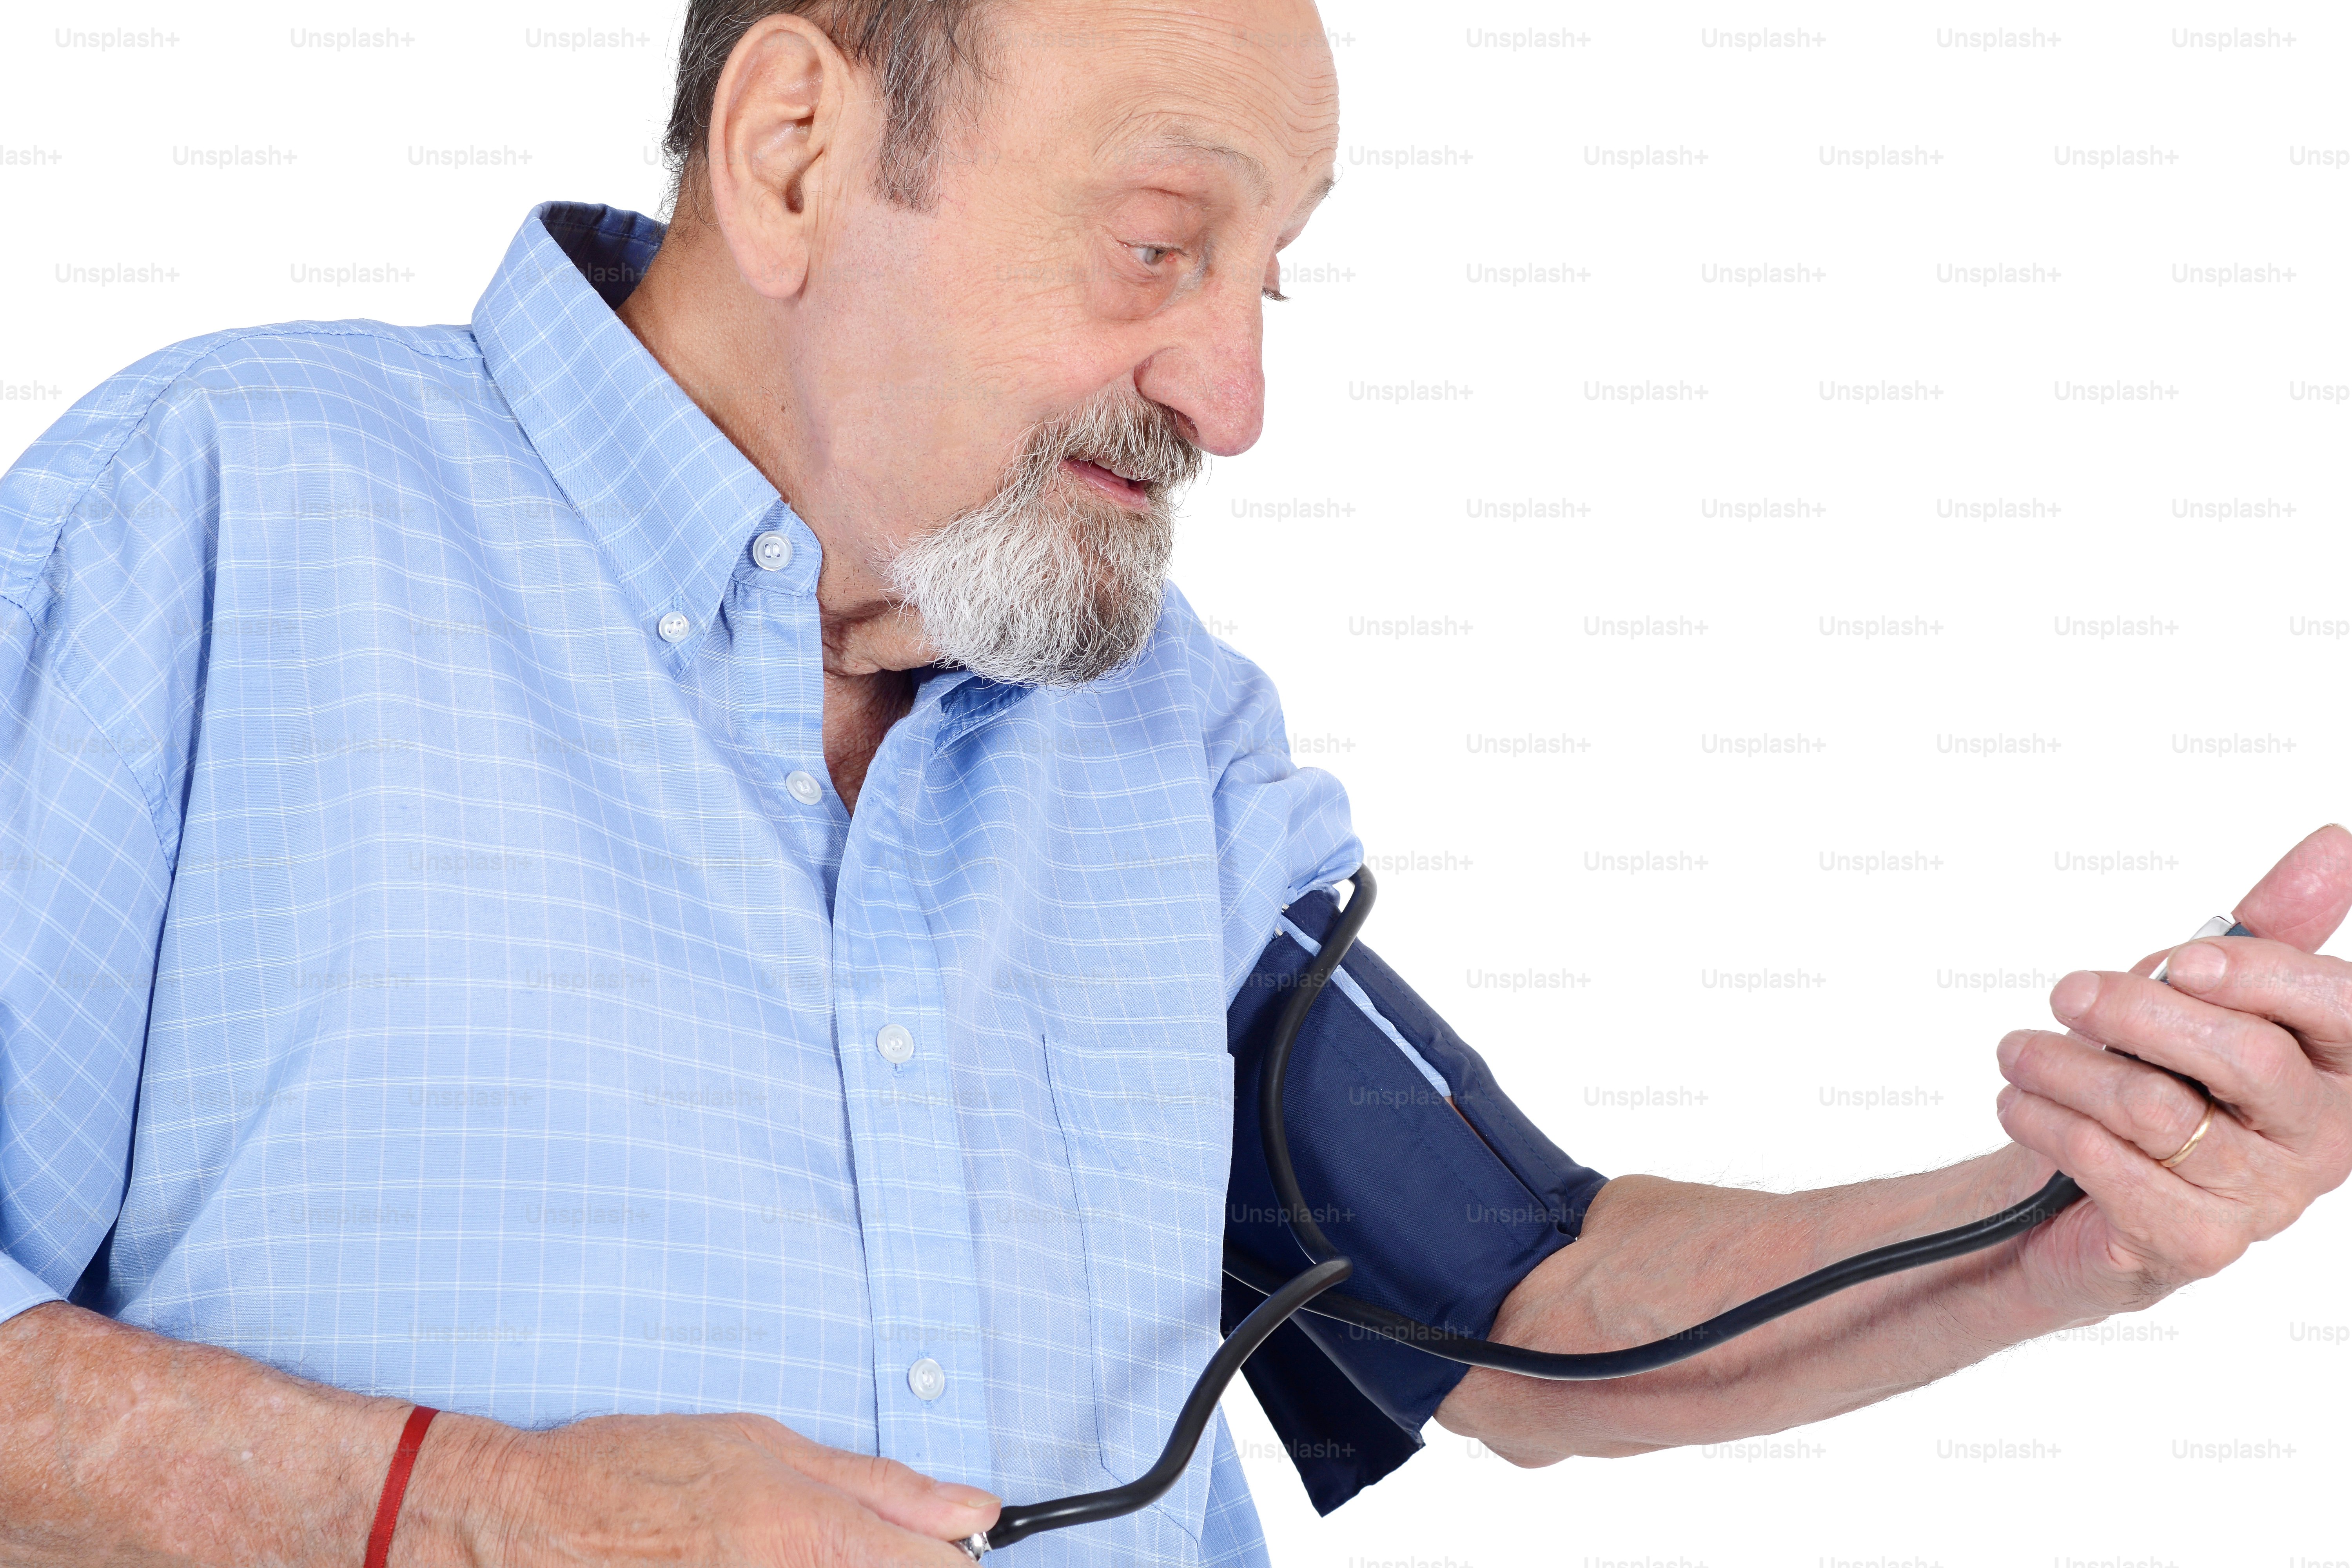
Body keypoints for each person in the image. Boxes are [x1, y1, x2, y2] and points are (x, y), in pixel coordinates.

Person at [2, 2, 2347, 1564]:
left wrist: (2067, 1229)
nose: (1230, 399)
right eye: (1157, 246)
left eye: (1273, 284)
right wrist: (476, 1510)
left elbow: (1504, 1309)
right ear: (798, 150)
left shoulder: (1159, 726)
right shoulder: (217, 518)